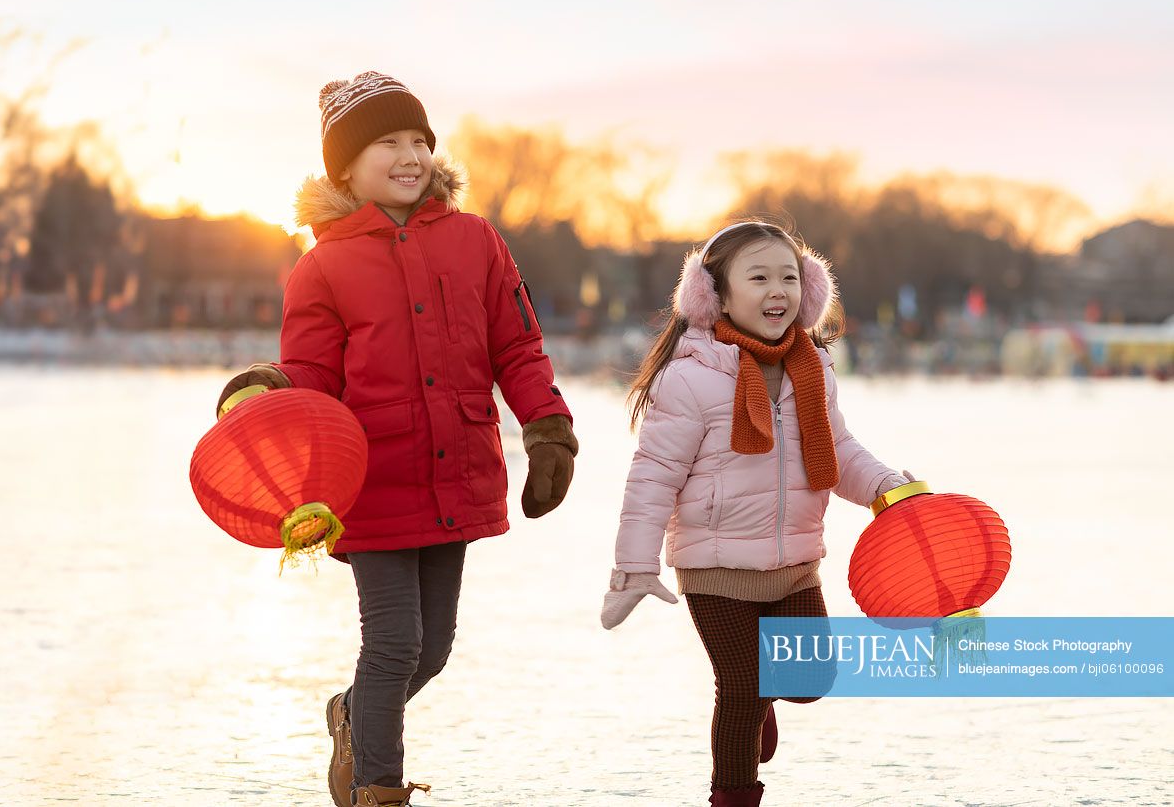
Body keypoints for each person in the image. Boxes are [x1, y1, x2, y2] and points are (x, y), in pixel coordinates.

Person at [216, 72, 579, 807]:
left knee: (433, 645)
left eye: (418, 139)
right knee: (393, 642)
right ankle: (377, 790)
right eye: (388, 142)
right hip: (371, 481)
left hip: (456, 471)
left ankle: (350, 712)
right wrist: (273, 394)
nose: (410, 153)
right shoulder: (322, 265)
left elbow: (517, 347)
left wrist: (547, 428)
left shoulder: (476, 241)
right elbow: (311, 374)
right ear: (344, 167)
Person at [600, 221, 912, 807]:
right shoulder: (690, 377)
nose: (778, 291)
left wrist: (886, 488)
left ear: (810, 291)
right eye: (760, 277)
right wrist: (634, 566)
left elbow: (838, 450)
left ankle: (761, 703)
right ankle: (735, 795)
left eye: (790, 278)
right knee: (740, 685)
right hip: (715, 567)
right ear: (716, 294)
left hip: (793, 561)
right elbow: (653, 477)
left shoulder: (812, 367)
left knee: (810, 679)